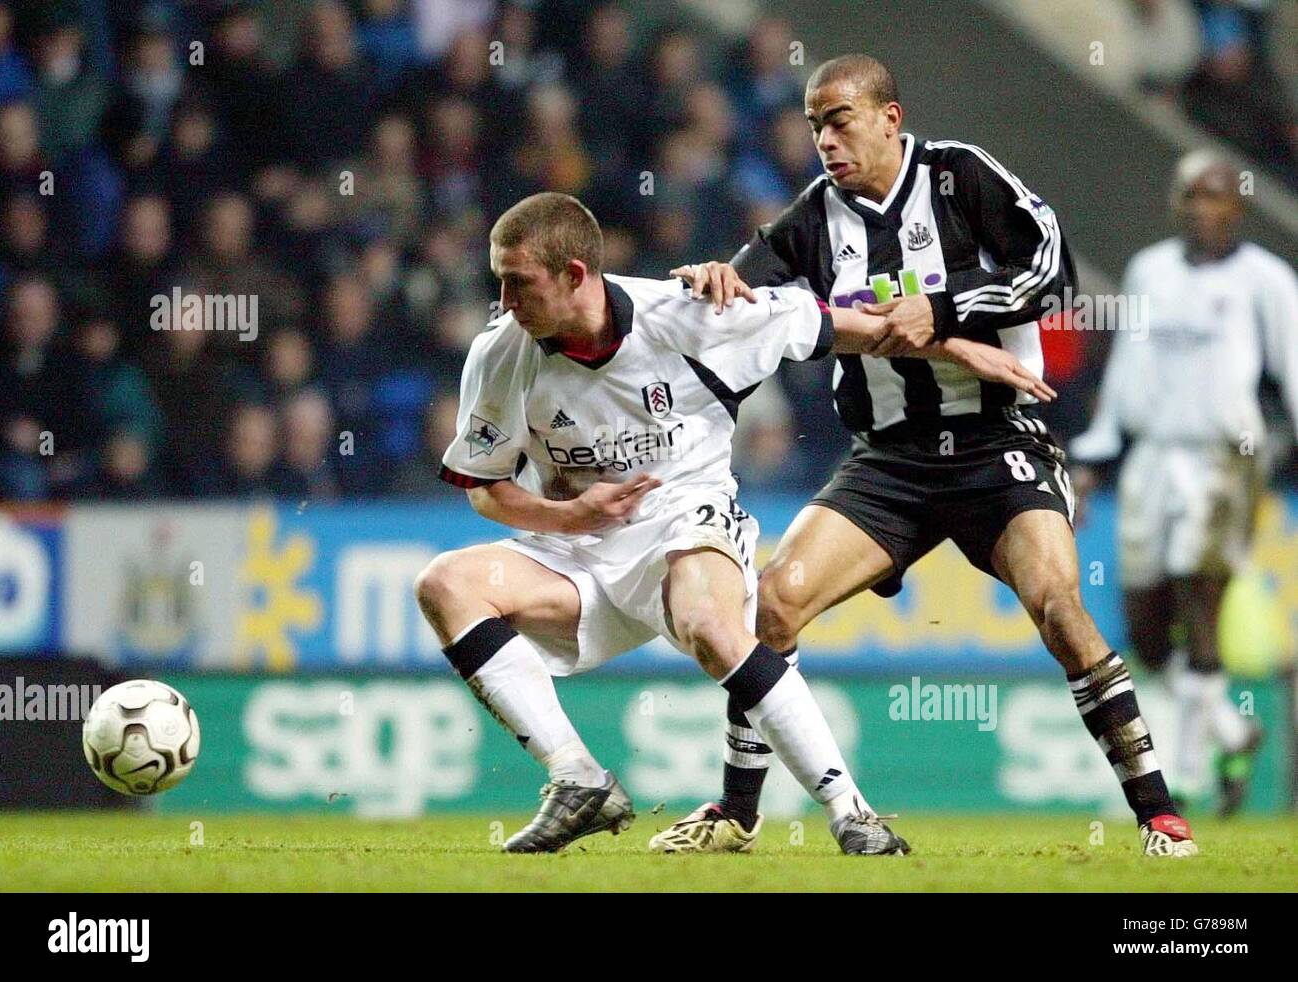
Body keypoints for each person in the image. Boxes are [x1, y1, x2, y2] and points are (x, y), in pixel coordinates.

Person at [657, 53, 1197, 857]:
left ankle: (1159, 813)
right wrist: (715, 281)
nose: (826, 141)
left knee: (1059, 607)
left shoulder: (959, 178)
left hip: (998, 442)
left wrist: (939, 307)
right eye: (814, 127)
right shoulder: (813, 217)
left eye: (839, 121)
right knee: (773, 605)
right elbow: (746, 299)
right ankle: (738, 813)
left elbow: (1051, 272)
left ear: (889, 118)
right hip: (890, 462)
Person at [416, 191, 1049, 854]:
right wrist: (565, 514)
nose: (506, 300)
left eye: (518, 283)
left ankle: (852, 814)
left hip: (686, 522)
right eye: (500, 283)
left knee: (709, 626)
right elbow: (484, 488)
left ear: (575, 274)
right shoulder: (499, 353)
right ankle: (579, 781)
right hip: (579, 556)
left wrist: (956, 349)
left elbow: (837, 328)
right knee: (445, 583)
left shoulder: (687, 314)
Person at [1071, 150, 1298, 815]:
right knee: (1144, 629)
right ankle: (1232, 729)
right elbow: (1125, 375)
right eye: (1191, 196)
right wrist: (1092, 457)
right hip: (1150, 460)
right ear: (1177, 204)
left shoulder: (1267, 280)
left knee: (1200, 596)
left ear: (1238, 206)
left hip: (1226, 456)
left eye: (1215, 196)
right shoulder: (1150, 271)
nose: (1202, 208)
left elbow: (1293, 369)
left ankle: (1191, 774)